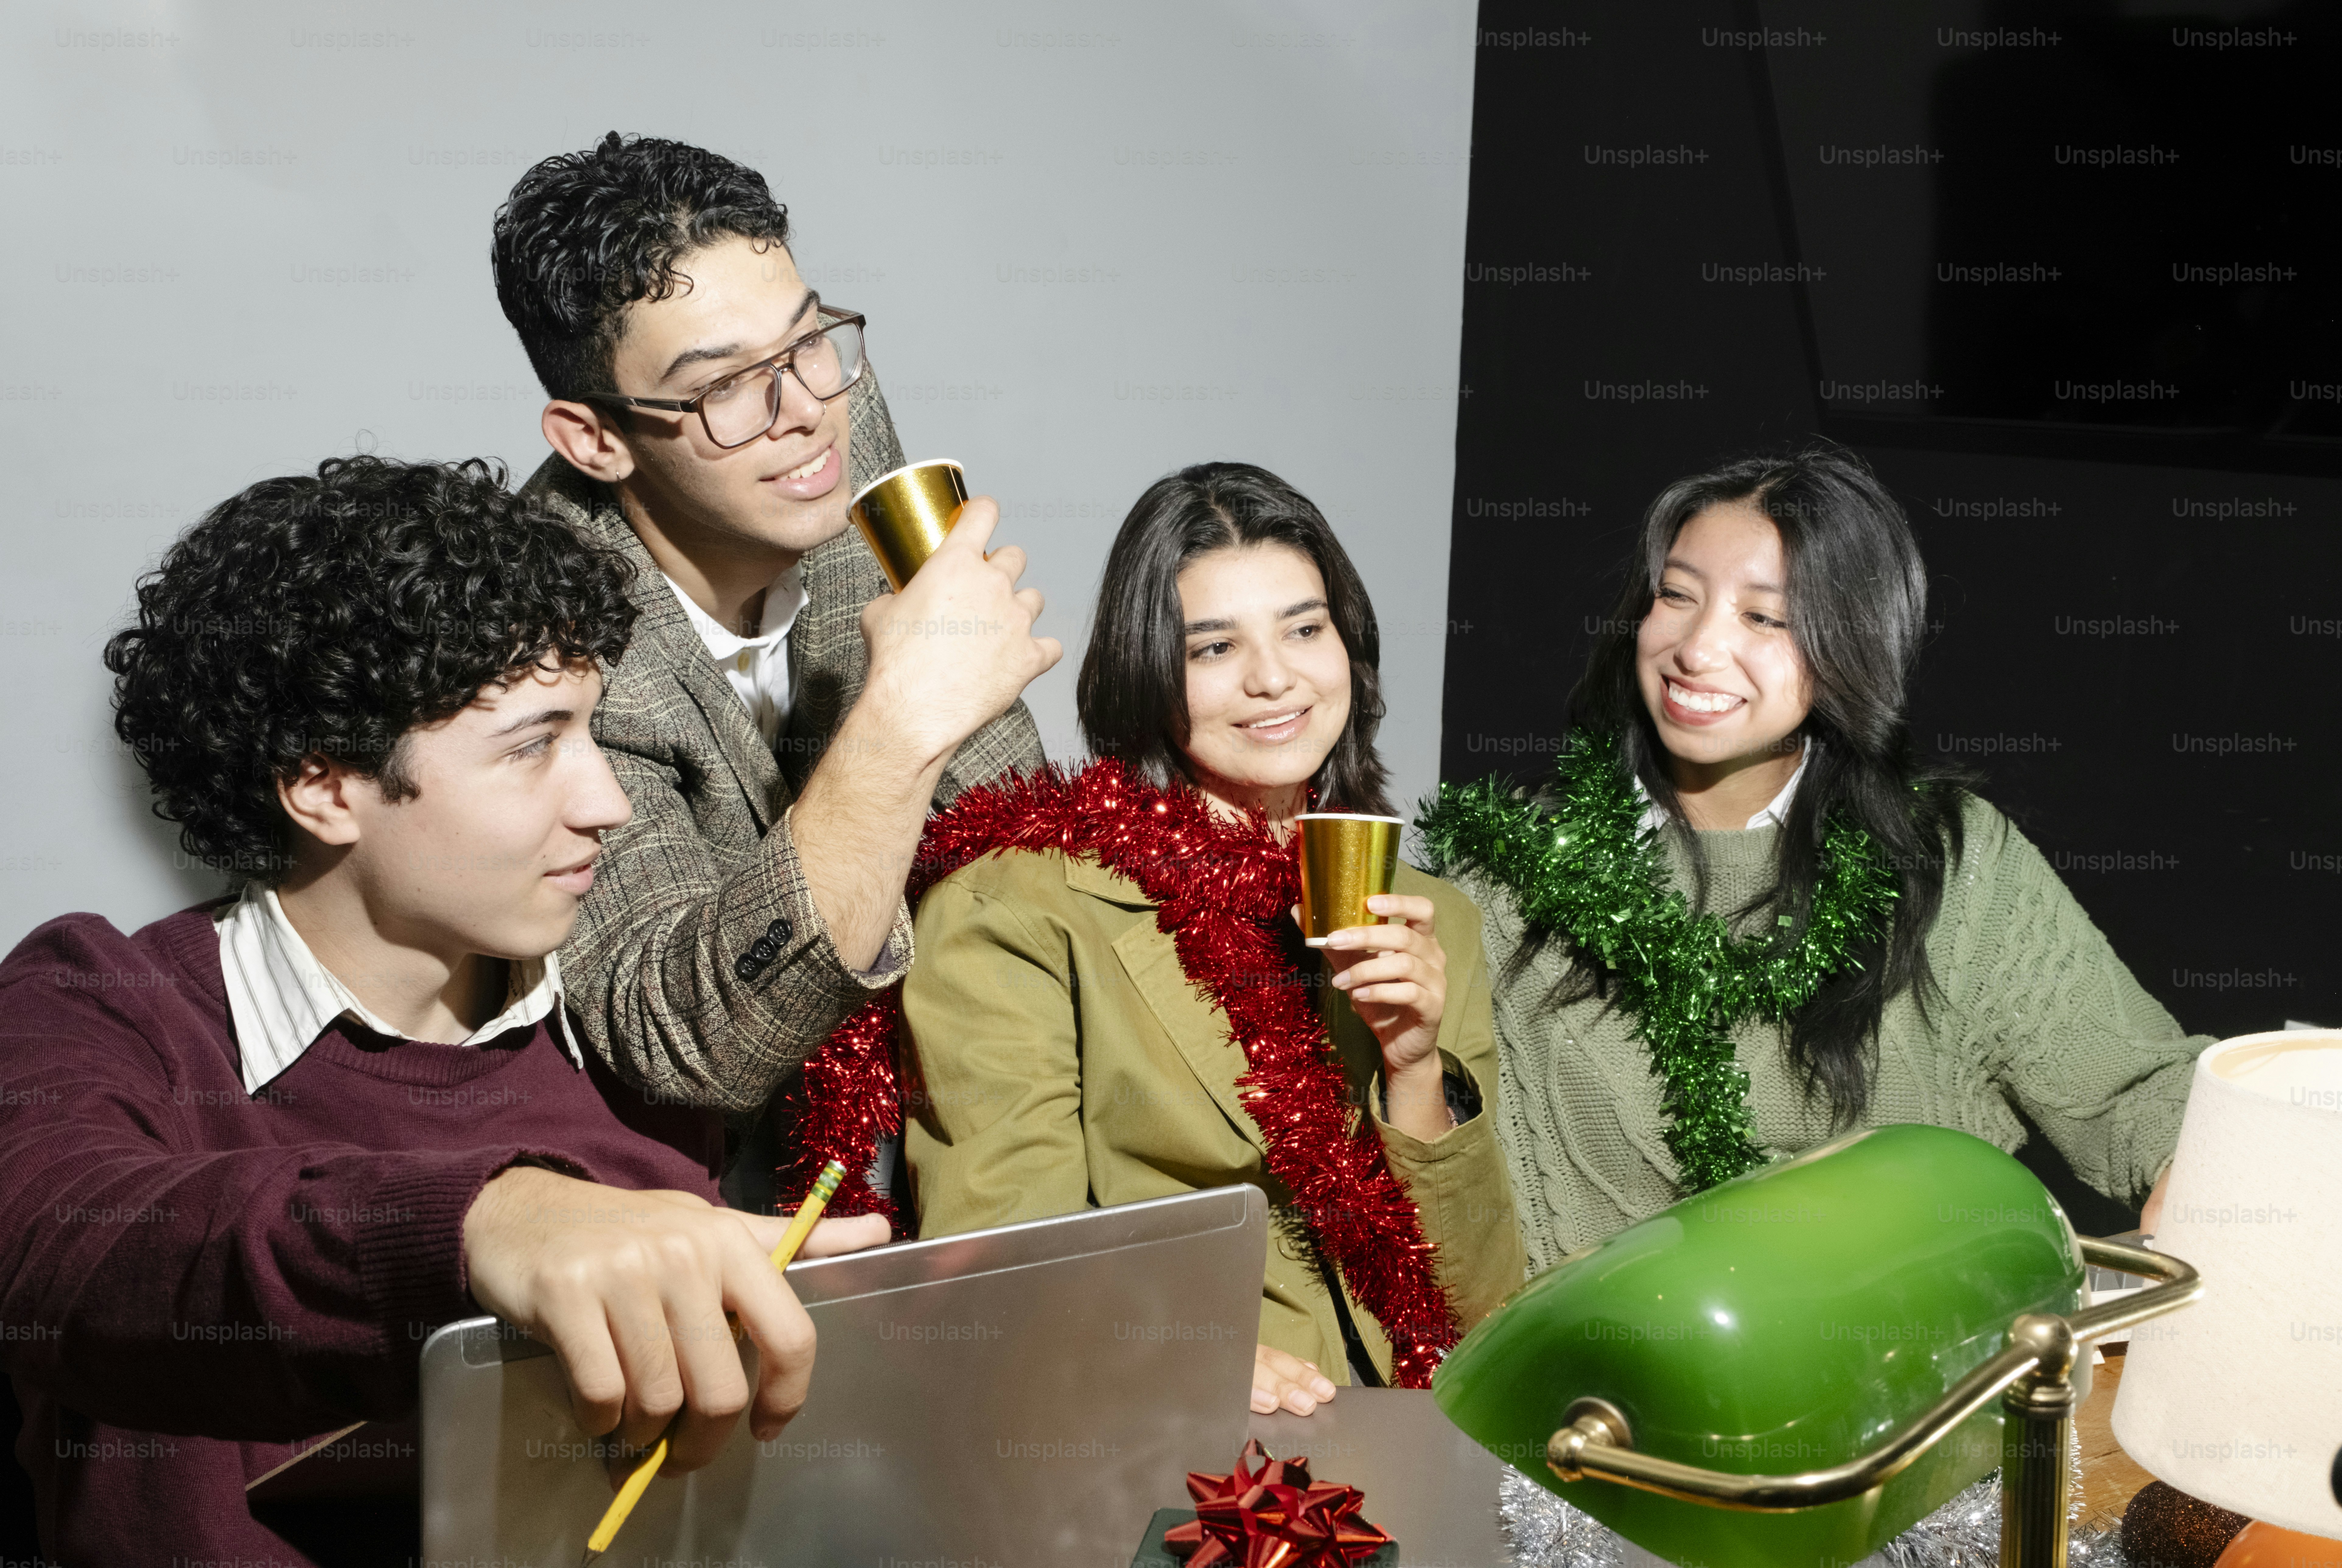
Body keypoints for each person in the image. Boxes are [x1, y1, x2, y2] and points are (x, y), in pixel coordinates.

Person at [0, 457, 886, 1568]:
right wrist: (480, 1222)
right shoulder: (104, 1002)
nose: (607, 803)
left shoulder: (632, 1042)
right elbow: (56, 1248)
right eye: (531, 746)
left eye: (592, 733)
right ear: (323, 785)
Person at [1416, 446, 2203, 1272]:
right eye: (1678, 596)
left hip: (1912, 1383)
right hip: (1597, 1384)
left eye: (1765, 618)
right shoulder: (1512, 871)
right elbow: (1432, 1186)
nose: (1698, 649)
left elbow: (2140, 1093)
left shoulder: (1951, 861)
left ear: (1847, 650)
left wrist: (2206, 1175)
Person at [489, 134, 1057, 1211]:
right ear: (594, 441)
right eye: (724, 386)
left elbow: (1013, 836)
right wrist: (897, 726)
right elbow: (682, 1040)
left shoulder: (819, 427)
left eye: (807, 341)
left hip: (952, 1131)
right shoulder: (544, 643)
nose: (801, 408)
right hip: (691, 1213)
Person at [892, 463, 1522, 1416]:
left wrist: (1417, 1065)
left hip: (1430, 1432)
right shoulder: (1015, 908)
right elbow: (1003, 1260)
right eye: (1214, 647)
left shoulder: (1432, 917)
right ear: (1147, 671)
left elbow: (1482, 1304)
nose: (1274, 678)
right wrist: (1185, 1357)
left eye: (1306, 629)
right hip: (1183, 1441)